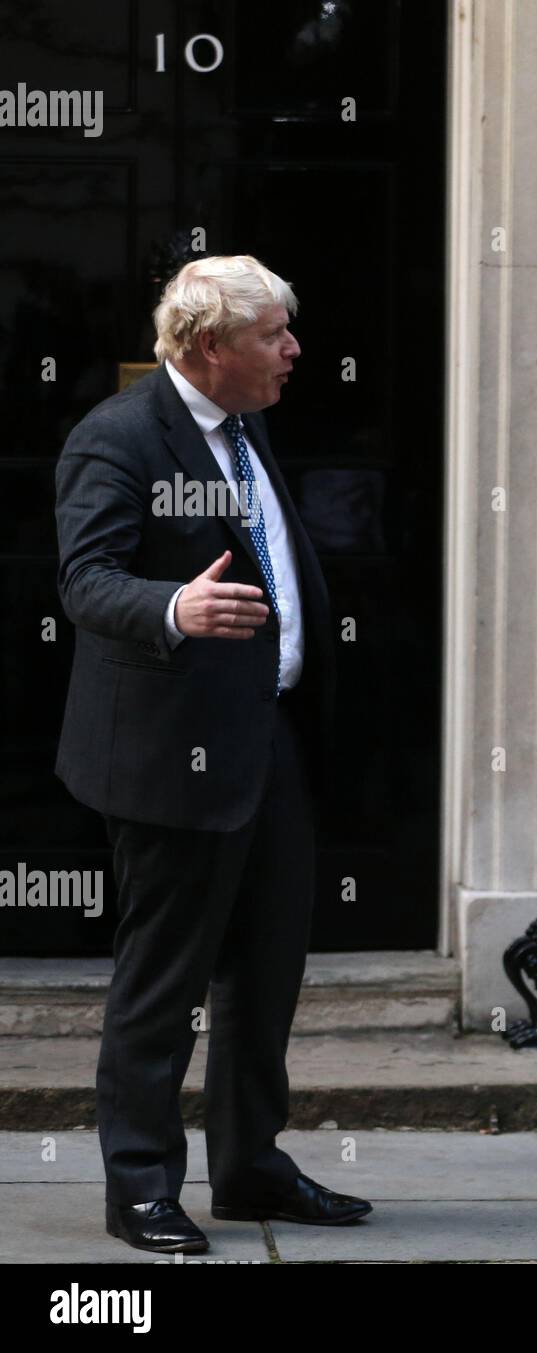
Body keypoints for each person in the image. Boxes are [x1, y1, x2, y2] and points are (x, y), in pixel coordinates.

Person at [54, 254, 371, 1253]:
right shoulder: (117, 439)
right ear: (207, 349)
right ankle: (141, 1187)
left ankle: (250, 1167)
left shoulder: (245, 424)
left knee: (266, 969)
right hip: (167, 750)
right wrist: (175, 608)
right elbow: (88, 583)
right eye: (273, 334)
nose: (295, 350)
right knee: (163, 982)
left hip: (266, 737)